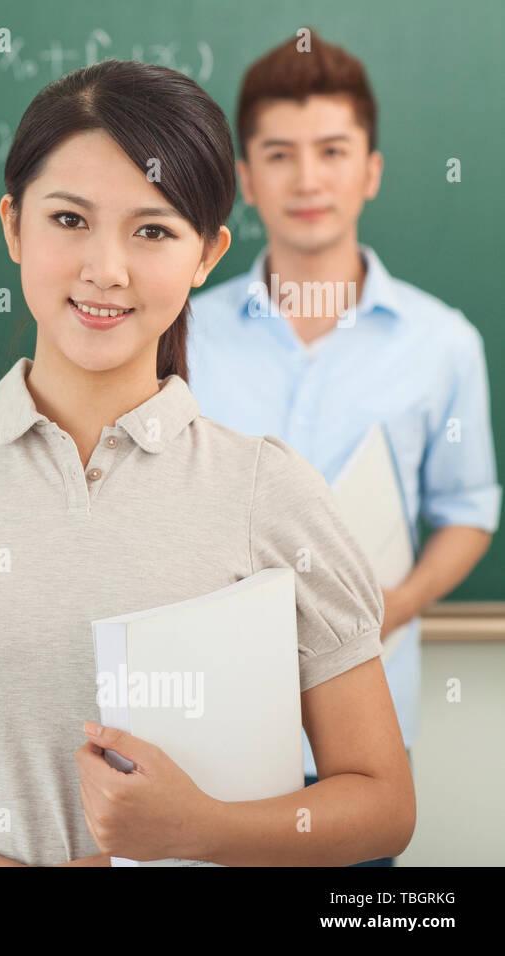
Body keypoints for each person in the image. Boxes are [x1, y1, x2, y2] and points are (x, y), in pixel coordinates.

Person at [0, 59, 416, 866]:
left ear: (206, 254)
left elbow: (382, 802)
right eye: (69, 220)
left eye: (152, 230)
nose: (105, 268)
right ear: (13, 224)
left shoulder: (269, 489)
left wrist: (198, 831)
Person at [187, 34, 499, 865]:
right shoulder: (181, 331)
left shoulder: (443, 344)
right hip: (202, 728)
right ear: (246, 179)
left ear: (372, 170)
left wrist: (393, 604)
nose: (308, 179)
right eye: (279, 155)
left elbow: (469, 510)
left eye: (333, 151)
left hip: (362, 745)